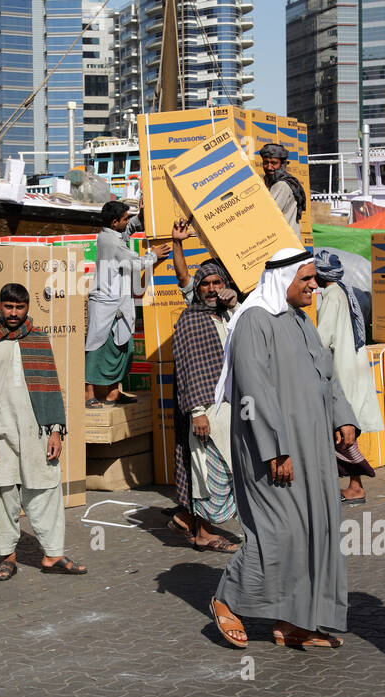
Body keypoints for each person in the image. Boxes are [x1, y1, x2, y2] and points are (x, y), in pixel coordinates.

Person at [208, 248, 359, 650]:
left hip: (313, 449)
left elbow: (326, 374)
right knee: (279, 532)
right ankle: (228, 598)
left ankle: (295, 622)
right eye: (306, 279)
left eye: (313, 279)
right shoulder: (254, 322)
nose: (314, 286)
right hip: (270, 450)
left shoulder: (301, 320)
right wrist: (275, 449)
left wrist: (343, 417)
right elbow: (252, 392)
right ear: (283, 278)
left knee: (316, 530)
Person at [0, 284, 85, 581]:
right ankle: (7, 557)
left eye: (19, 308)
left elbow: (51, 388)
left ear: (27, 308)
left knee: (46, 490)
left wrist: (56, 432)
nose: (13, 313)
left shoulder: (39, 340)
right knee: (4, 494)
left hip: (37, 431)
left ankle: (53, 554)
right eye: (8, 306)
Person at [169, 258, 240, 552]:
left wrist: (235, 305)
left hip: (230, 405)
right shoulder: (191, 319)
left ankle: (187, 520)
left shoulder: (227, 315)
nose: (212, 289)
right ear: (198, 289)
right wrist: (197, 412)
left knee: (229, 468)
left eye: (217, 283)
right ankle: (205, 534)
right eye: (206, 284)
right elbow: (188, 366)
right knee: (209, 472)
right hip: (205, 408)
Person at [311, 249, 382, 505]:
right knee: (345, 429)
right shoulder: (346, 291)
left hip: (343, 370)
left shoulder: (331, 297)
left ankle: (355, 485)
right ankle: (353, 485)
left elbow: (323, 338)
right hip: (355, 367)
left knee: (342, 430)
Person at [85, 200, 172, 407]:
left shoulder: (110, 235)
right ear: (115, 222)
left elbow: (128, 230)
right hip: (106, 304)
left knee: (123, 347)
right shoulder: (112, 243)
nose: (127, 221)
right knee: (97, 349)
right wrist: (154, 255)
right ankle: (88, 394)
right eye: (125, 218)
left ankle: (113, 393)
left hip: (118, 304)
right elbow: (136, 262)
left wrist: (140, 217)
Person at [259, 144, 305, 238]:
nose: (269, 167)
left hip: (286, 245)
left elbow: (268, 213)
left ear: (282, 164)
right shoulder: (271, 181)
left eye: (274, 163)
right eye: (266, 162)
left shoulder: (281, 185)